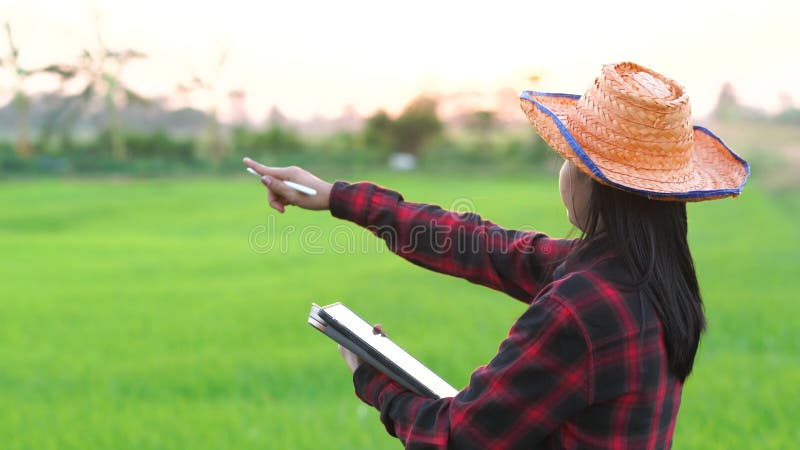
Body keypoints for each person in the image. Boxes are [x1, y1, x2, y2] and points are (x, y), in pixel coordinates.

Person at [243, 62, 749, 449]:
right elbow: (482, 244)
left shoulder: (582, 307)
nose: (563, 172)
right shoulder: (645, 275)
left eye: (568, 159)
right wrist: (337, 196)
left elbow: (459, 438)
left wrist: (370, 375)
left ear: (596, 183)